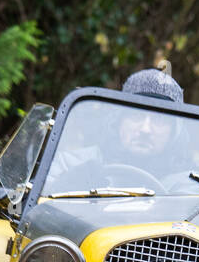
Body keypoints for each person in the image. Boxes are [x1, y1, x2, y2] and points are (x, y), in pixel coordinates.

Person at [43, 66, 187, 193]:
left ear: (174, 132)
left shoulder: (188, 184)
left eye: (159, 120)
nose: (145, 129)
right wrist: (63, 187)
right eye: (136, 115)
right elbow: (35, 211)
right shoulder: (71, 164)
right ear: (119, 121)